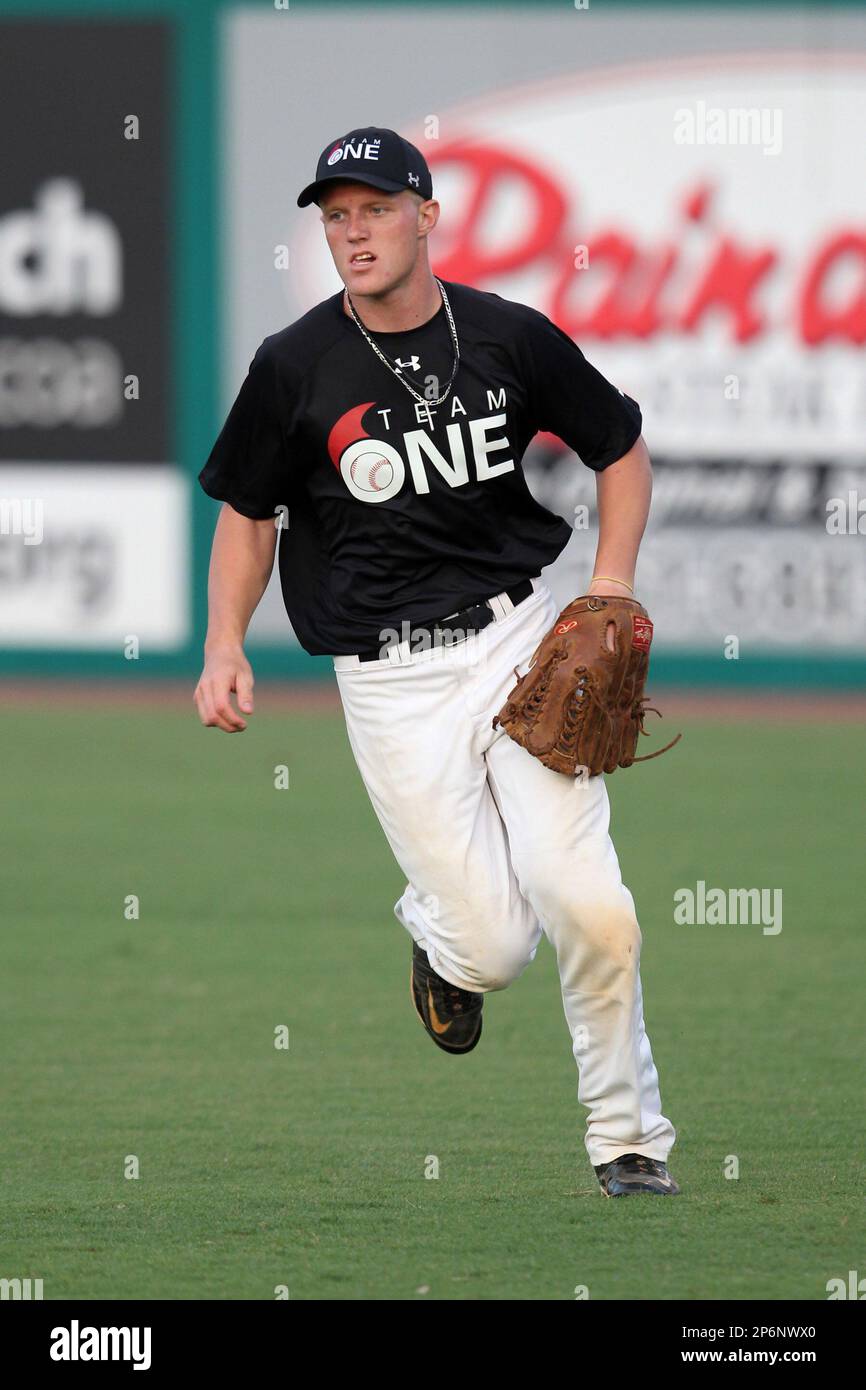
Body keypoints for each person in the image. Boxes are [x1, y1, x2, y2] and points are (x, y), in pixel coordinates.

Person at [195, 127, 679, 1198]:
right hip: (390, 681)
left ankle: (626, 1137)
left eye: (374, 209)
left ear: (427, 216)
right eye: (335, 216)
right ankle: (439, 941)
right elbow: (248, 510)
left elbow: (618, 445)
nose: (353, 231)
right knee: (495, 947)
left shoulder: (508, 337)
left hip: (520, 638)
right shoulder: (294, 365)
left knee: (587, 898)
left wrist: (610, 581)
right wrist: (224, 641)